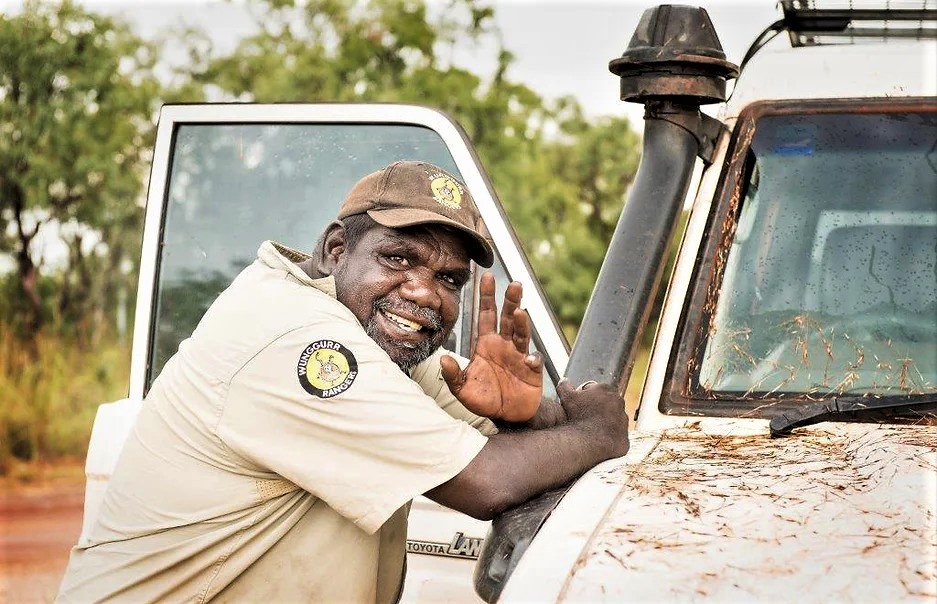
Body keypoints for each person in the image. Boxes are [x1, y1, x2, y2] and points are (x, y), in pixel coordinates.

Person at [57, 160, 629, 602]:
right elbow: (485, 482)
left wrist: (524, 414)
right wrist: (601, 433)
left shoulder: (382, 345)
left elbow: (514, 451)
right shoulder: (298, 336)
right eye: (399, 259)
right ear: (337, 250)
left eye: (449, 279)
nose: (425, 293)